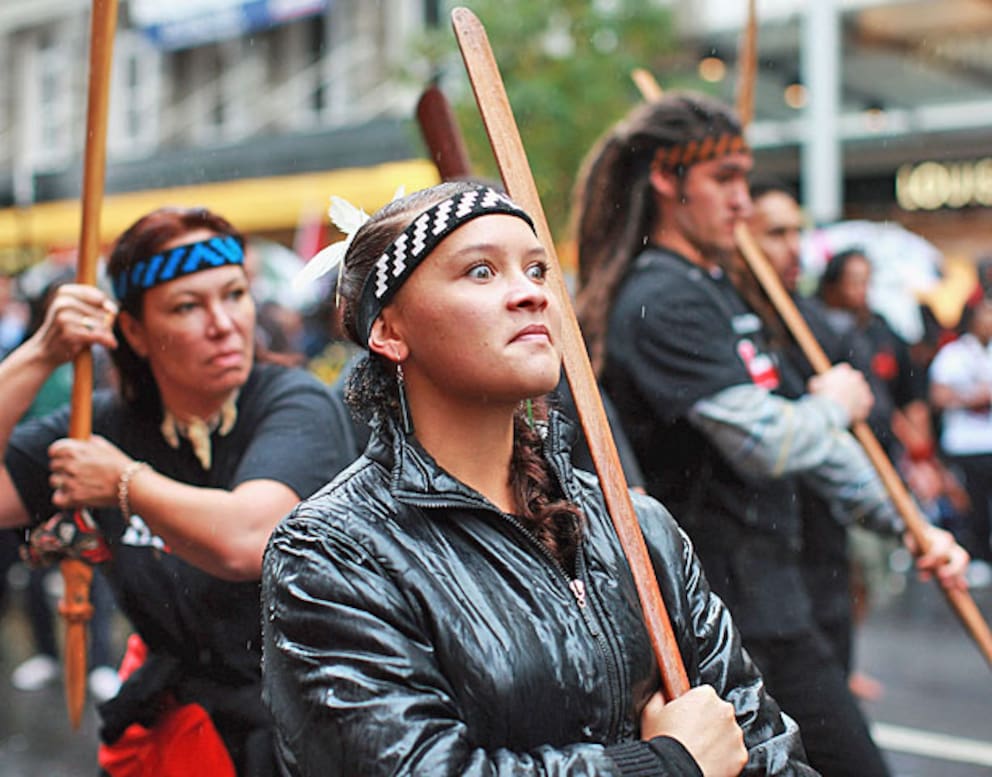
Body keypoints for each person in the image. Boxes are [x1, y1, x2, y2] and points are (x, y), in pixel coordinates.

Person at [262, 181, 816, 776]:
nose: (531, 293)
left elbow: (762, 746)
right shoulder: (333, 553)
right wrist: (663, 765)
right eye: (480, 271)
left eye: (537, 270)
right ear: (389, 331)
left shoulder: (636, 528)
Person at [572, 93, 968, 777]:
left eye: (744, 179)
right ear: (666, 178)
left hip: (775, 595)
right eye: (723, 178)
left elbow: (815, 445)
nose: (742, 201)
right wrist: (833, 405)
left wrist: (908, 524)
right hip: (716, 613)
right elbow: (767, 441)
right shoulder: (662, 296)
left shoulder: (718, 289)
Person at [0, 206, 352, 776]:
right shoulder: (103, 425)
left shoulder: (294, 402)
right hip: (180, 730)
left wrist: (125, 484)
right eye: (188, 306)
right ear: (134, 332)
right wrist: (41, 352)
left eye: (234, 294)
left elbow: (250, 540)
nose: (224, 323)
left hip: (308, 731)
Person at [929, 298, 992, 585]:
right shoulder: (953, 355)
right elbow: (937, 395)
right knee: (971, 504)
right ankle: (975, 555)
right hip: (965, 444)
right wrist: (972, 397)